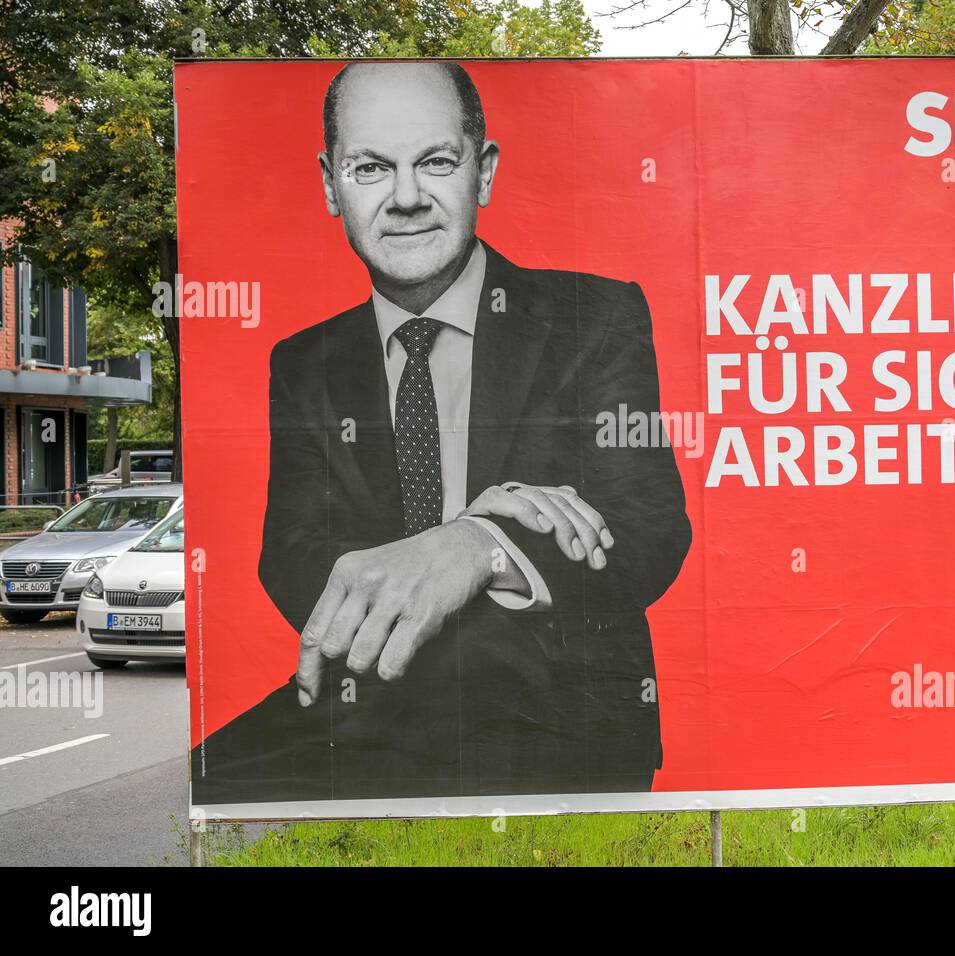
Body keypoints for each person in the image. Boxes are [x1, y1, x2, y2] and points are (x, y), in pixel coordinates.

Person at [191, 62, 691, 805]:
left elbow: (649, 530)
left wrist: (478, 547)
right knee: (208, 783)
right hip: (370, 717)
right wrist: (446, 547)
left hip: (557, 723)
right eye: (370, 168)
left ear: (482, 172)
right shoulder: (303, 363)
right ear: (332, 185)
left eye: (435, 161)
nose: (406, 198)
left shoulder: (598, 318)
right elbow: (291, 553)